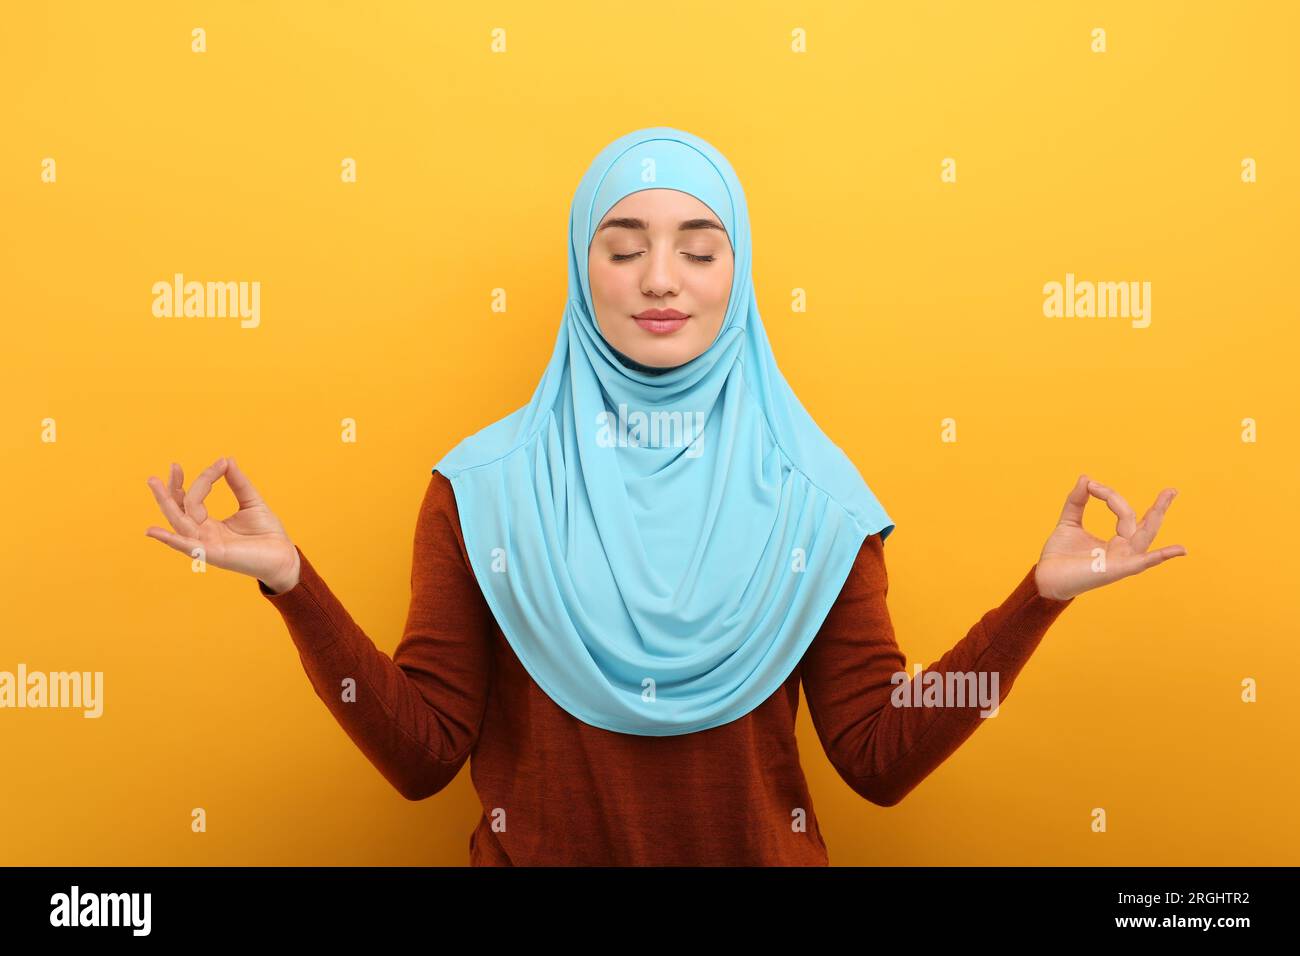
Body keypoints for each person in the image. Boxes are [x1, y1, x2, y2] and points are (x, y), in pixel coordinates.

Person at [144, 127, 1186, 865]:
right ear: (580, 268)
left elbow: (874, 758)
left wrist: (1035, 601)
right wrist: (290, 582)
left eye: (698, 247)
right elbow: (422, 757)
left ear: (736, 275)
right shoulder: (485, 489)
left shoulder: (813, 499)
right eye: (623, 244)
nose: (659, 279)